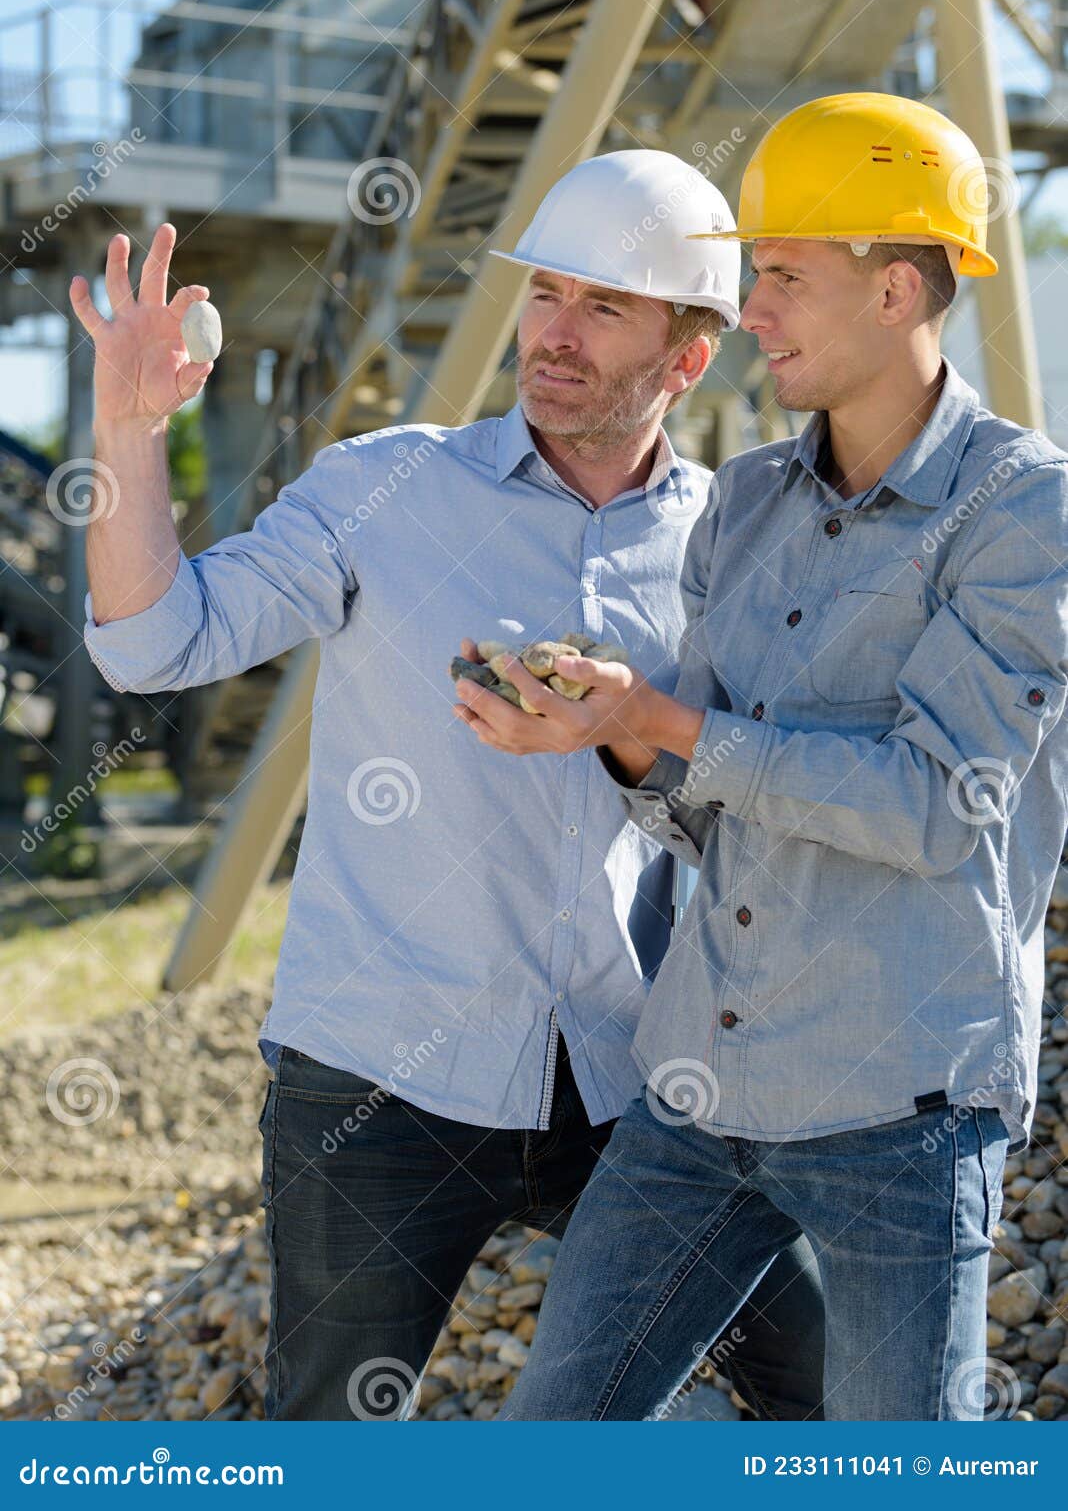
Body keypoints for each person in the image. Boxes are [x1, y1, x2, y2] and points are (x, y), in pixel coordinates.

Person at [72, 149, 825, 1421]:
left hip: (637, 1073)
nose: (555, 334)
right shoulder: (387, 488)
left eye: (602, 307)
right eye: (545, 296)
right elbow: (156, 640)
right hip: (380, 1084)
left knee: (826, 1381)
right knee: (334, 1438)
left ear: (687, 359)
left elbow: (751, 813)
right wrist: (130, 428)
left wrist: (631, 729)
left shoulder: (732, 541)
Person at [455, 94, 1068, 1422]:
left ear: (899, 287)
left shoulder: (1022, 509)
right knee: (550, 1442)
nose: (751, 308)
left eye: (783, 275)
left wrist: (668, 722)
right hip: (696, 1095)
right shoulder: (746, 501)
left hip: (898, 1115)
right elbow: (704, 810)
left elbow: (931, 805)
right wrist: (606, 733)